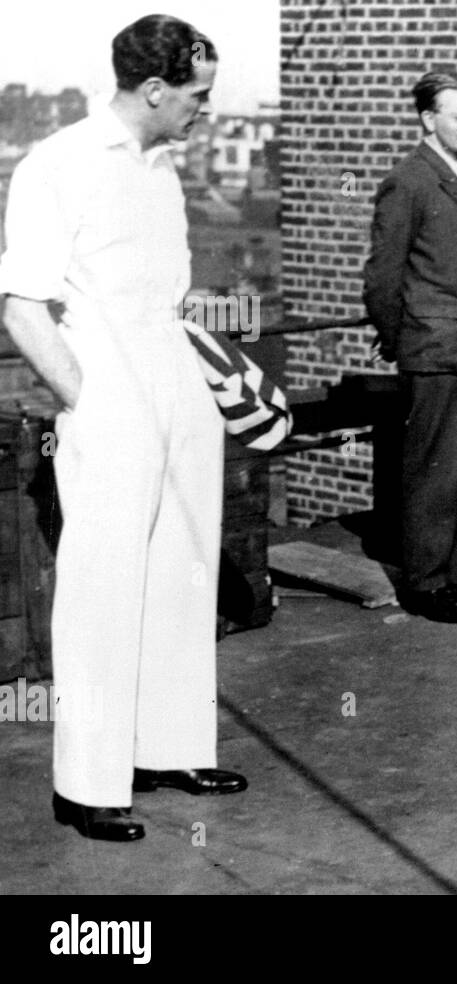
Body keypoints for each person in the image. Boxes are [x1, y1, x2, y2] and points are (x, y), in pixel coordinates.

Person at [0, 15, 247, 843]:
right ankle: (90, 781)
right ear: (153, 88)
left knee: (182, 574)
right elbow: (23, 308)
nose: (205, 110)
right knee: (103, 589)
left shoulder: (162, 166)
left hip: (176, 388)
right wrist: (85, 396)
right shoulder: (57, 164)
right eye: (198, 95)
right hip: (109, 403)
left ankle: (166, 748)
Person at [363, 71, 457, 624]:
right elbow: (383, 273)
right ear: (429, 119)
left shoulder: (454, 173)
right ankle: (424, 585)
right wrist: (400, 336)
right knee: (432, 467)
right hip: (434, 344)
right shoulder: (409, 180)